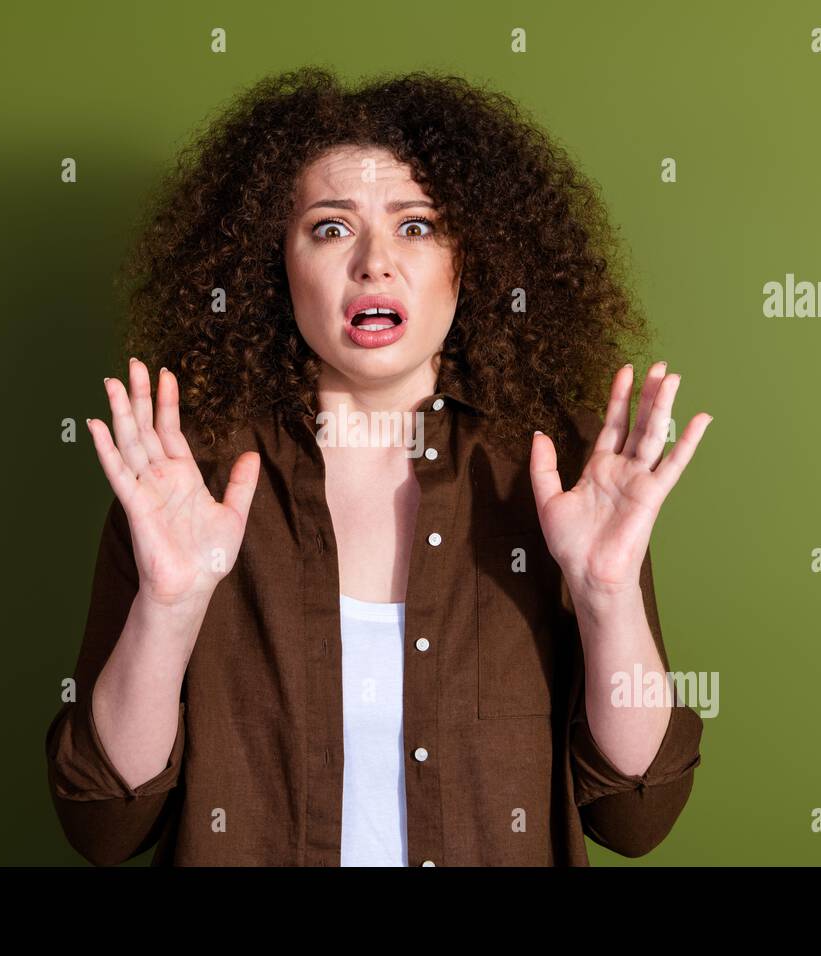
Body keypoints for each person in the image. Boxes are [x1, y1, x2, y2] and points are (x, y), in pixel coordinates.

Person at [45, 67, 713, 866]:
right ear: (274, 263)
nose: (375, 263)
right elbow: (105, 826)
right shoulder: (186, 477)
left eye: (418, 226)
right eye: (331, 228)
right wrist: (169, 604)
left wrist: (606, 596)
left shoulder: (562, 474)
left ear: (472, 260)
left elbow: (636, 818)